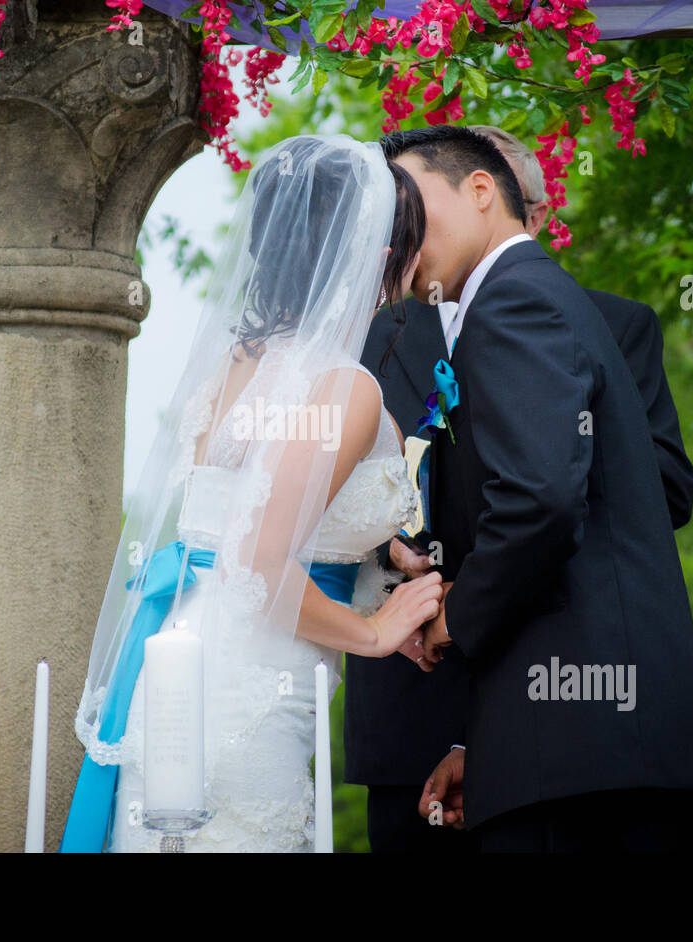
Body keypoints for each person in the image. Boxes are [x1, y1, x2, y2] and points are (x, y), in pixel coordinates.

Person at [59, 134, 441, 852]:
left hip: (178, 664)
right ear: (384, 258)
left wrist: (385, 562)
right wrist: (374, 633)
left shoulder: (237, 366)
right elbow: (257, 558)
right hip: (250, 691)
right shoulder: (344, 386)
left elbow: (253, 516)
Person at [348, 125, 693, 852]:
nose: (401, 233)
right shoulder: (520, 299)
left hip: (585, 750)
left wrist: (451, 620)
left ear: (482, 191)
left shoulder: (515, 302)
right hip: (534, 733)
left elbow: (539, 500)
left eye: (413, 206)